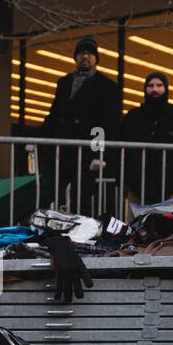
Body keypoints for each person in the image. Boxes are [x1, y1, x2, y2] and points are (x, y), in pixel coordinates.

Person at [40, 36, 122, 216]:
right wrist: (40, 142)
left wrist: (98, 153)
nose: (86, 57)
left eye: (90, 54)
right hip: (61, 151)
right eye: (82, 53)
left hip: (87, 152)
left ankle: (80, 236)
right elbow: (54, 115)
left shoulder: (106, 86)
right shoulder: (64, 82)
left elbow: (106, 123)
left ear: (96, 59)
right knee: (53, 196)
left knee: (82, 198)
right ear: (75, 57)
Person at [120, 71, 173, 202]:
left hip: (171, 188)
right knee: (136, 223)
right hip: (136, 187)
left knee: (168, 222)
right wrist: (124, 182)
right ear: (145, 89)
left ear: (166, 88)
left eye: (159, 85)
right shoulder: (132, 117)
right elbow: (119, 150)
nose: (154, 89)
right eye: (150, 85)